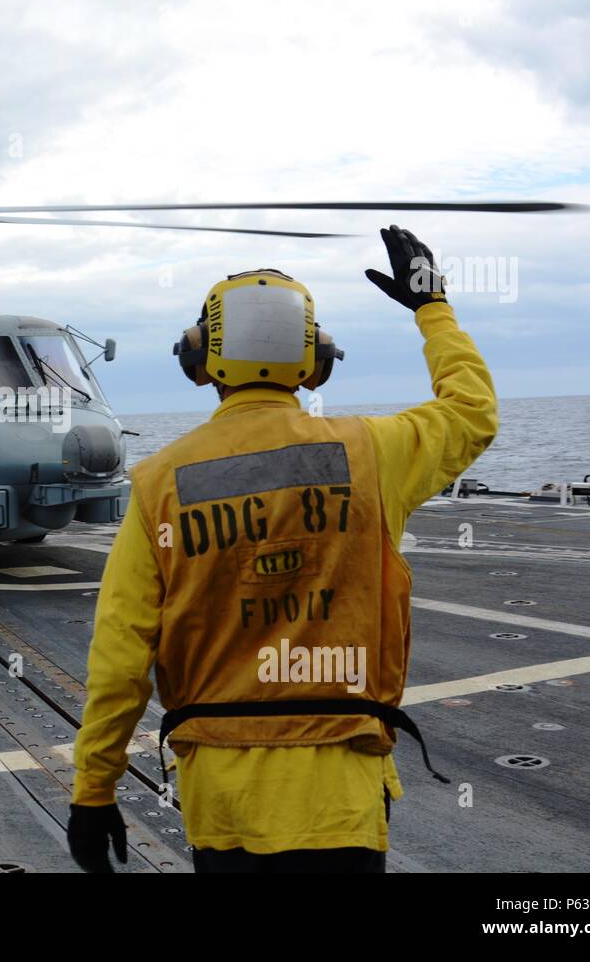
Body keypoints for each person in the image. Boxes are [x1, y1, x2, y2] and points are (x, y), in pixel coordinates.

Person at [67, 226, 498, 874]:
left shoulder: (159, 485)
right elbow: (473, 412)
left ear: (199, 360)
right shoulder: (373, 454)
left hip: (223, 800)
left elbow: (120, 656)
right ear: (317, 361)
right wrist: (431, 305)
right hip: (342, 799)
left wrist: (93, 790)